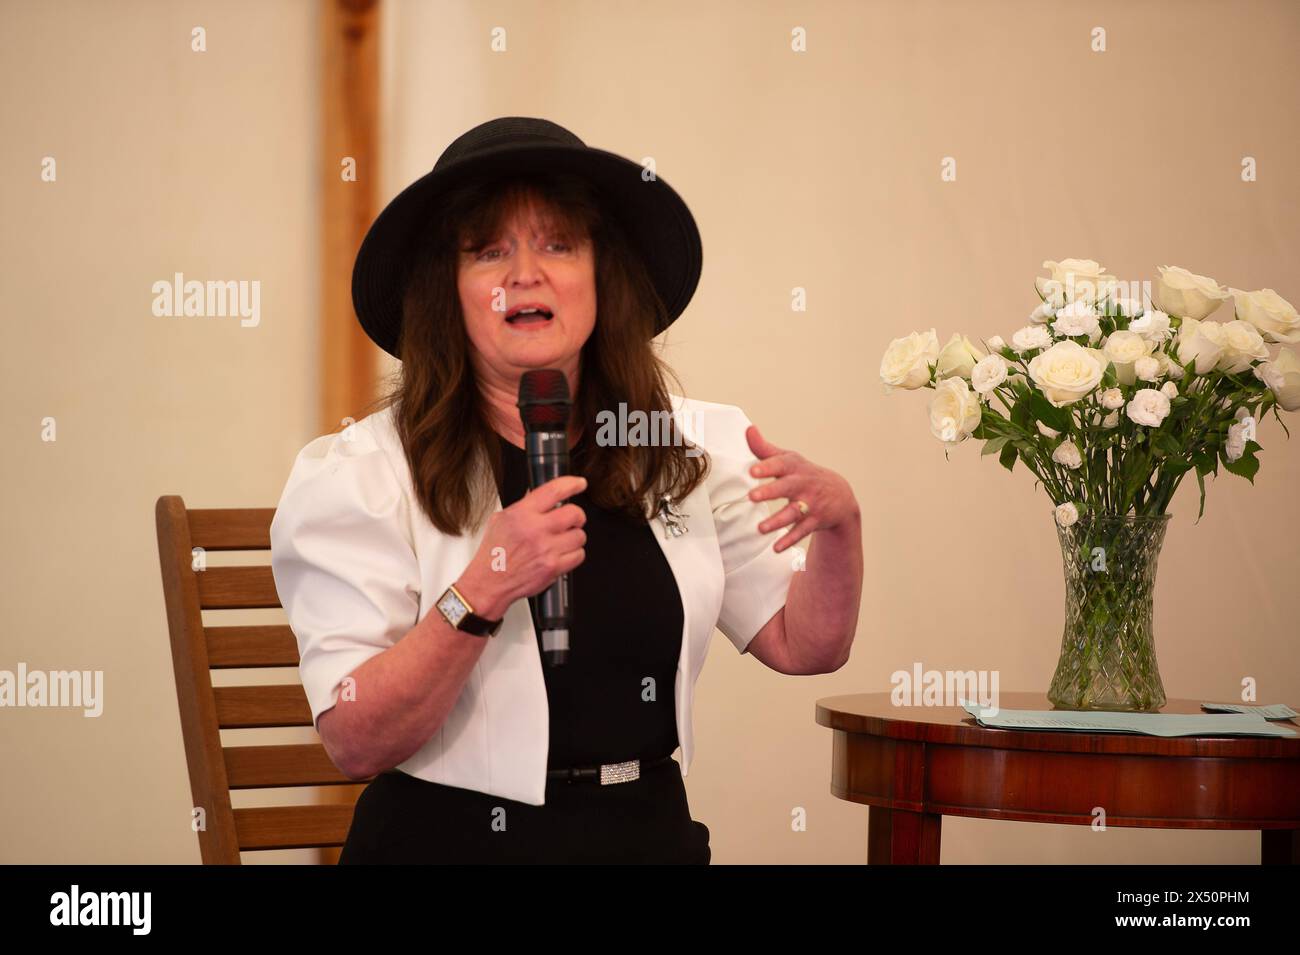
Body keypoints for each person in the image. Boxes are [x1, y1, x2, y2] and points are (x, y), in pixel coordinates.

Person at [269, 117, 863, 864]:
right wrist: (482, 588)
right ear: (446, 292)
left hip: (645, 837)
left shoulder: (681, 445)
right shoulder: (364, 469)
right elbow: (353, 740)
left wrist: (841, 528)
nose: (525, 273)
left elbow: (803, 644)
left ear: (600, 275)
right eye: (489, 250)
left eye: (558, 243)